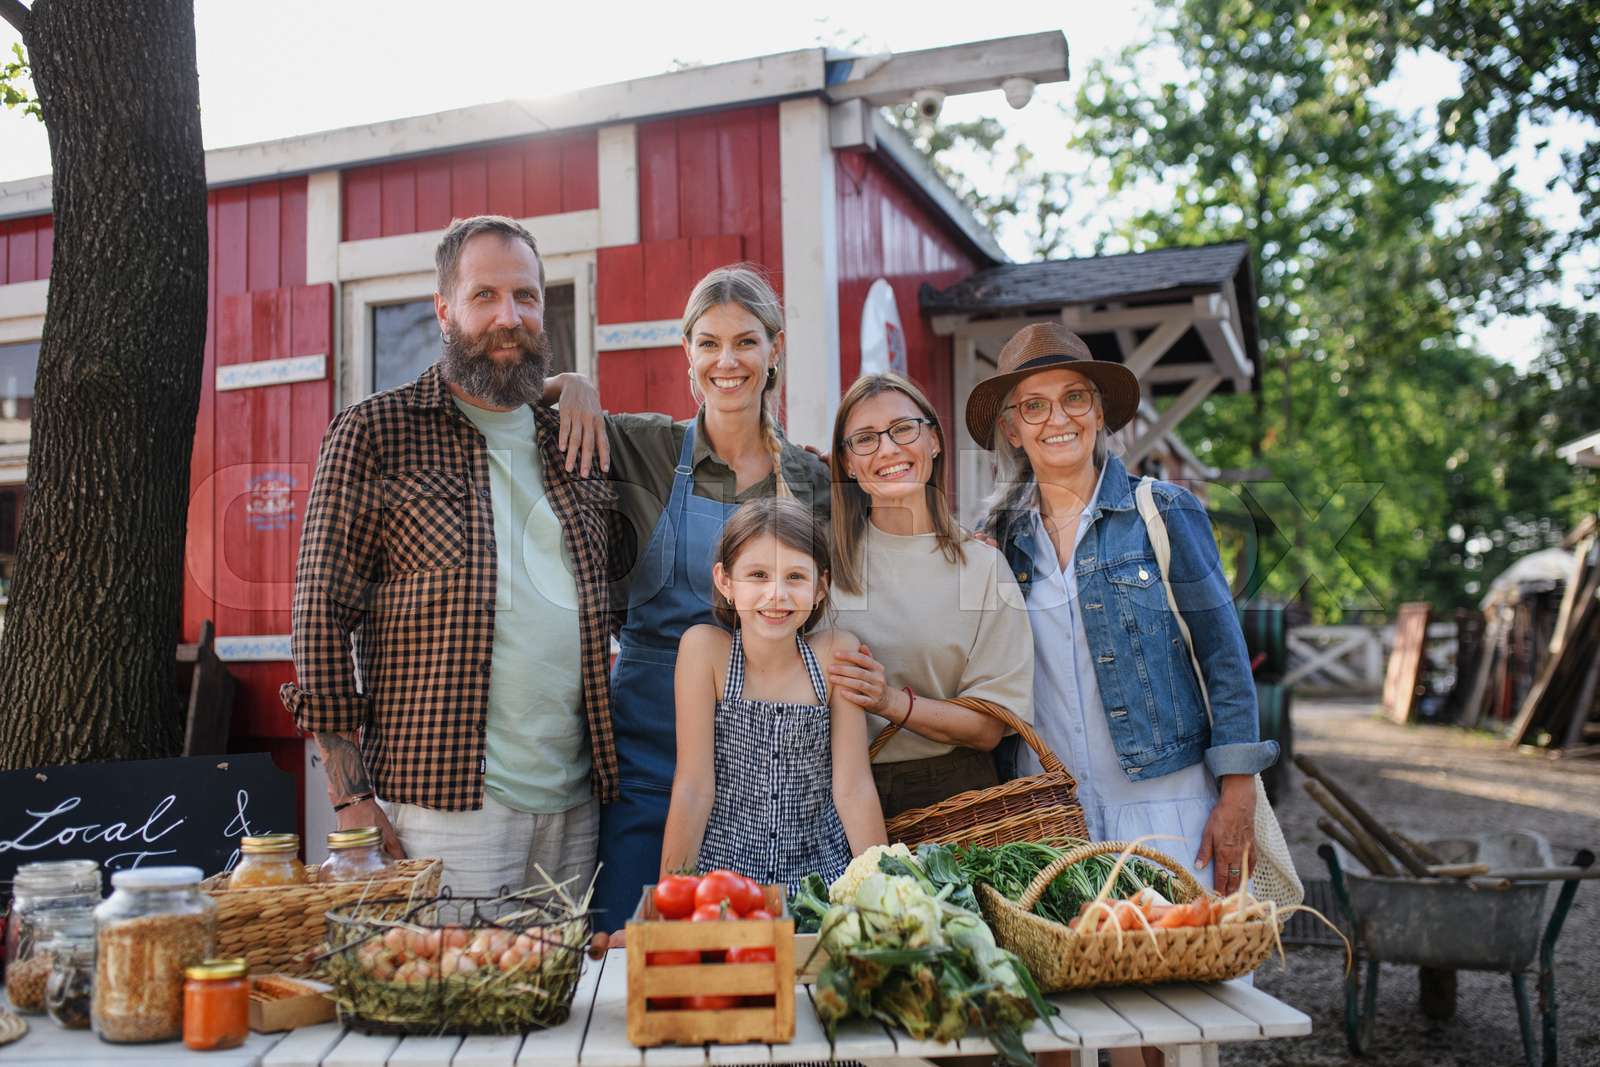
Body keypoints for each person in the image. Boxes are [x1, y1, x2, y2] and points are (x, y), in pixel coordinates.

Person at [282, 215, 615, 898]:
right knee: (450, 999)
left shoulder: (574, 442)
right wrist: (350, 800)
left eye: (525, 296)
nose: (509, 315)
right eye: (484, 296)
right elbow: (319, 617)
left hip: (577, 805)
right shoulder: (376, 434)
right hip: (443, 807)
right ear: (444, 310)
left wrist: (573, 382)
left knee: (565, 1000)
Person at [967, 322, 1278, 899]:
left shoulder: (1162, 512)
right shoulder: (996, 542)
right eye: (1033, 406)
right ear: (1011, 428)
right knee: (1078, 982)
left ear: (1100, 410)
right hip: (1053, 819)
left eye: (1074, 398)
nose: (1057, 420)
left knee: (1196, 975)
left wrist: (1239, 794)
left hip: (1167, 807)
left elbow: (1223, 655)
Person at [592, 265, 831, 927]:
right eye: (709, 342)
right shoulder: (644, 445)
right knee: (625, 940)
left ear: (774, 350)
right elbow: (527, 412)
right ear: (688, 353)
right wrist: (576, 388)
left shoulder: (810, 477)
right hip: (648, 754)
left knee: (745, 955)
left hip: (761, 757)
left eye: (746, 342)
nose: (727, 360)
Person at [823, 373, 1035, 819]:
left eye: (903, 429)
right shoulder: (818, 564)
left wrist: (890, 702)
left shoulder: (983, 567)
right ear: (846, 463)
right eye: (864, 439)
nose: (887, 449)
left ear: (934, 441)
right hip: (828, 798)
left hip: (955, 796)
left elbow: (989, 726)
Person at [660, 498, 886, 889]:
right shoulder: (706, 652)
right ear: (725, 581)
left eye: (796, 577)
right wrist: (670, 899)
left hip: (821, 882)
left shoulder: (835, 652)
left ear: (820, 588)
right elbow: (694, 787)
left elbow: (853, 788)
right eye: (758, 575)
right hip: (725, 885)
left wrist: (886, 891)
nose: (777, 594)